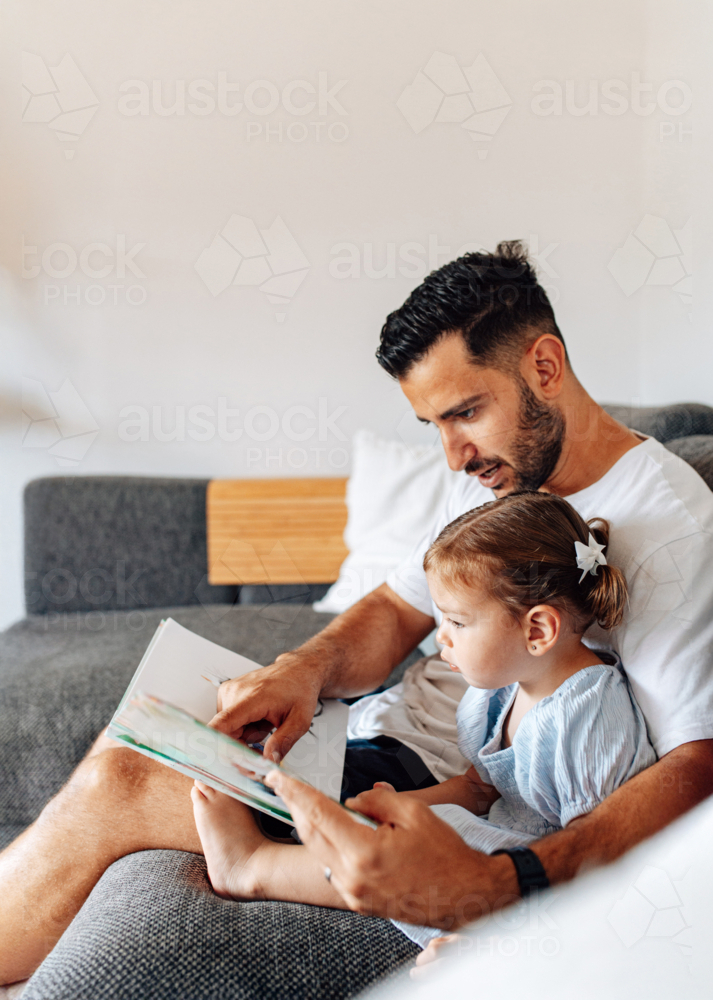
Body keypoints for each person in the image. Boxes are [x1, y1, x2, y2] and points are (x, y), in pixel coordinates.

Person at [2, 242, 712, 992]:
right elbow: (393, 610)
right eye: (431, 423)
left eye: (465, 412)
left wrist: (508, 886)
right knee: (140, 732)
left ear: (543, 366)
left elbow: (693, 765)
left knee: (123, 782)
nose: (451, 455)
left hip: (436, 786)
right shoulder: (496, 475)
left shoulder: (668, 525)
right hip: (377, 735)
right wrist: (301, 671)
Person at [191, 491, 656, 950]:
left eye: (457, 622)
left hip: (539, 885)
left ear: (537, 630)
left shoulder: (588, 718)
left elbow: (600, 866)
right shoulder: (506, 689)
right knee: (418, 832)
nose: (440, 638)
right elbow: (479, 787)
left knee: (418, 857)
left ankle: (252, 866)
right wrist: (403, 804)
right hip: (501, 838)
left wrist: (488, 940)